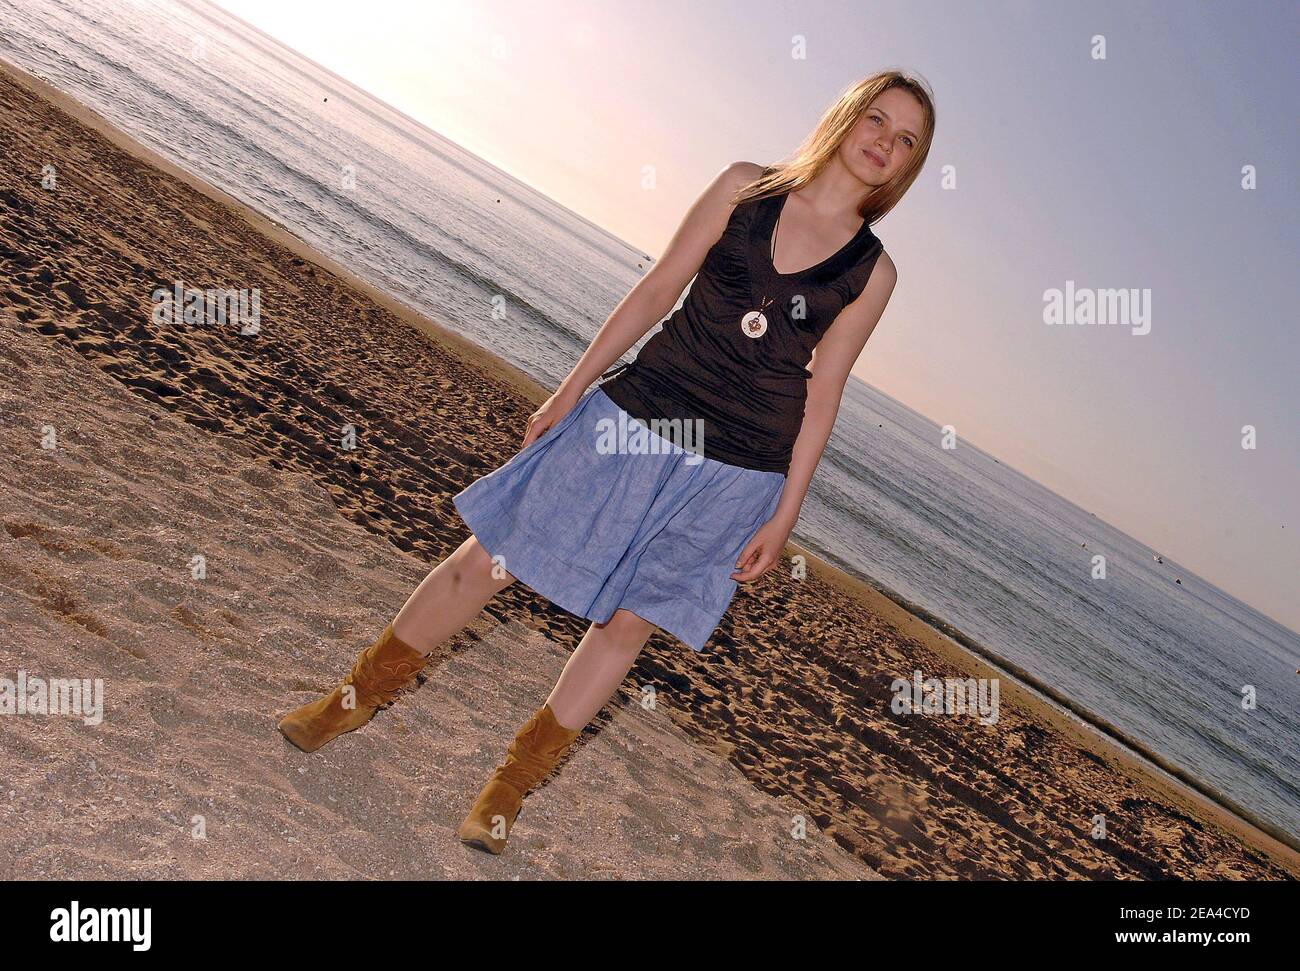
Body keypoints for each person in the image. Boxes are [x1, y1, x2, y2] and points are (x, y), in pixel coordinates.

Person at [278, 71, 933, 855]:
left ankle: (508, 788)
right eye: (877, 119)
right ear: (846, 117)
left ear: (908, 167)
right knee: (491, 555)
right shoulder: (743, 187)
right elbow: (658, 287)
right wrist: (569, 387)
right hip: (636, 414)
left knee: (628, 627)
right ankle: (353, 698)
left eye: (906, 141)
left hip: (739, 470)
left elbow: (822, 394)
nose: (884, 143)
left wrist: (784, 513)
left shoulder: (874, 272)